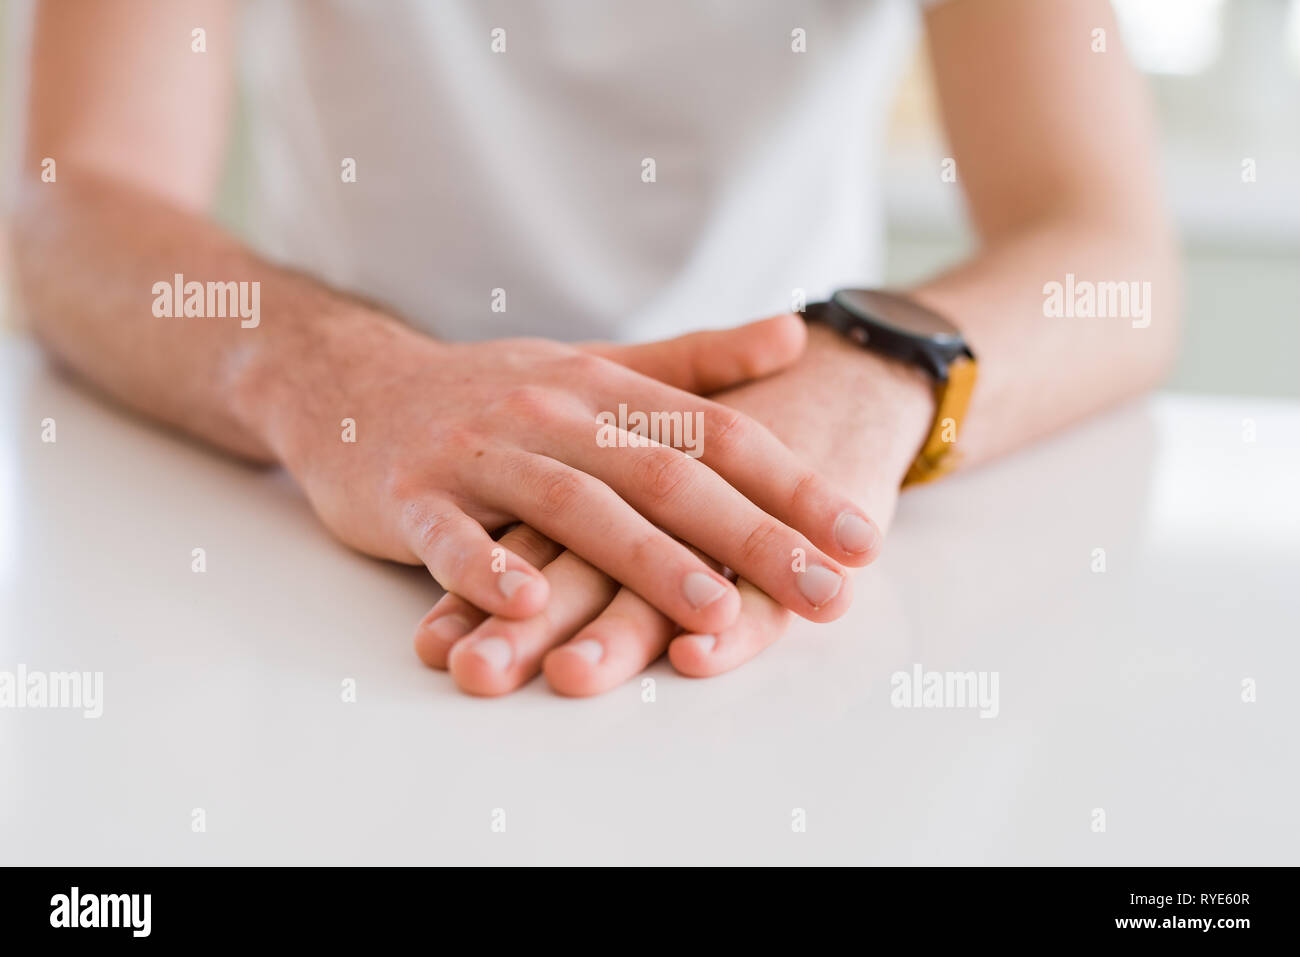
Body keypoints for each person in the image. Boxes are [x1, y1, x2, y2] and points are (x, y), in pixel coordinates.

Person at [9, 0, 1178, 697]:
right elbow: (71, 205)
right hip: (344, 528)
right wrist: (344, 380)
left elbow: (1109, 252)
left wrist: (866, 379)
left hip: (774, 517)